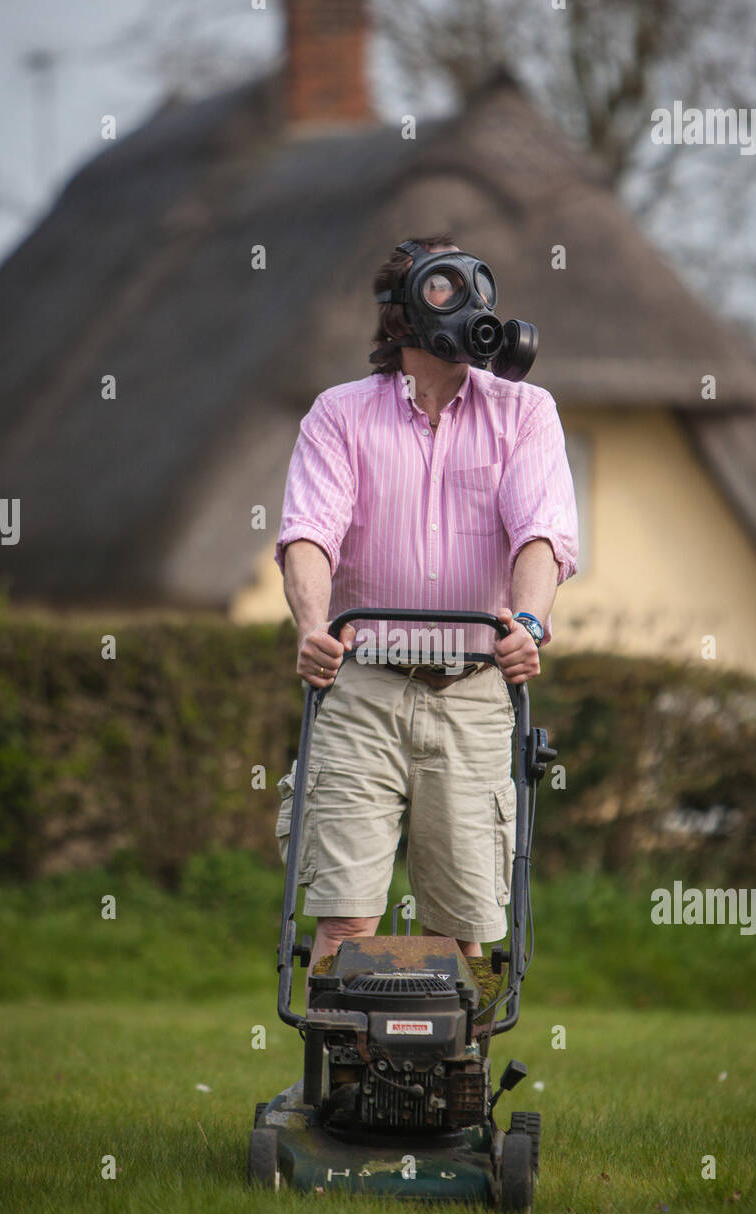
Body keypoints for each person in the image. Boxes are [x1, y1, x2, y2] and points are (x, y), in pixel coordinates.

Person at [274, 234, 578, 977]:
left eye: (479, 288)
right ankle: (340, 1081)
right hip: (361, 689)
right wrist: (315, 629)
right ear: (401, 317)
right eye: (448, 290)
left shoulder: (526, 412)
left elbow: (539, 531)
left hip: (473, 695)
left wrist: (529, 624)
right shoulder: (339, 415)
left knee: (463, 930)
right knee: (344, 920)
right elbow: (310, 533)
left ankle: (454, 1088)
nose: (473, 306)